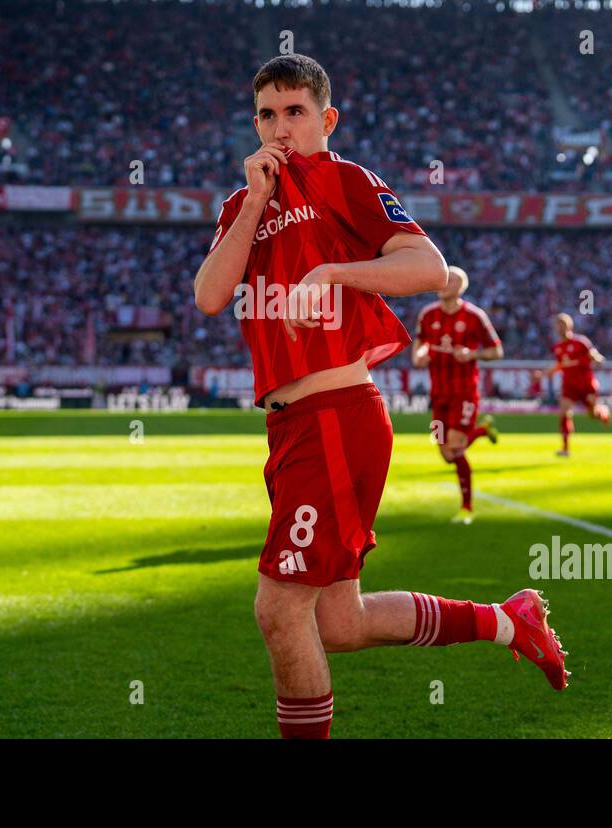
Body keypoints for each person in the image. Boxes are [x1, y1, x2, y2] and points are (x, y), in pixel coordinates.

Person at [193, 53, 569, 739]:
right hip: (290, 429)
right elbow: (210, 295)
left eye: (296, 113)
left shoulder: (343, 181)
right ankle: (510, 621)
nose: (282, 129)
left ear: (326, 120)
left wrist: (334, 271)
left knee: (278, 612)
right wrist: (252, 202)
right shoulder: (240, 205)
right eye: (268, 115)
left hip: (338, 417)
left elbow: (428, 266)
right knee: (340, 623)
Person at [411, 266, 503, 523]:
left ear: (461, 287)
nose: (444, 283)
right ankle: (483, 431)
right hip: (439, 393)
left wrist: (472, 354)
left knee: (454, 447)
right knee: (445, 454)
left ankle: (466, 508)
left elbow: (497, 351)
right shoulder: (427, 315)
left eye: (450, 280)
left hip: (464, 392)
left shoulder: (475, 316)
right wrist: (418, 355)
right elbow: (420, 343)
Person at [535, 312, 610, 457]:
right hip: (569, 386)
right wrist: (544, 374)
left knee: (593, 415)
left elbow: (593, 354)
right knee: (564, 413)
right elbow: (561, 365)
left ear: (569, 326)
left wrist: (598, 358)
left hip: (586, 385)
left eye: (562, 325)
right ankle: (565, 448)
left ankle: (602, 412)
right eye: (557, 325)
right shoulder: (557, 347)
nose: (559, 328)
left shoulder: (581, 342)